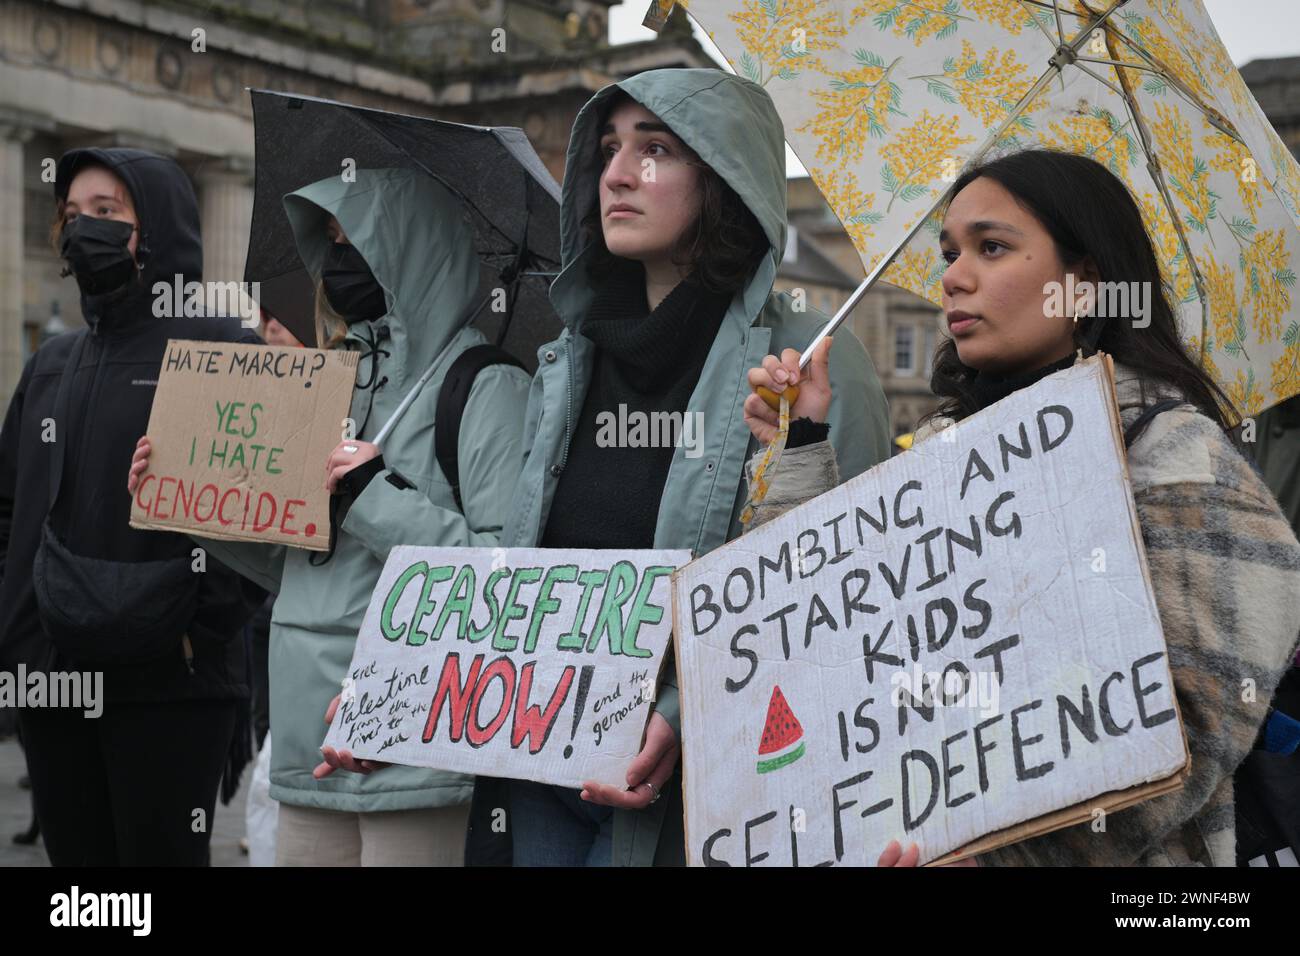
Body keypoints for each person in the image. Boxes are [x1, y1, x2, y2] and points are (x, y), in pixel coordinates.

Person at [743, 148, 1300, 866]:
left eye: (992, 247)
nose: (951, 276)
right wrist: (802, 443)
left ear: (1085, 285)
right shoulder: (942, 451)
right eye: (949, 251)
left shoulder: (1180, 460)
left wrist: (993, 855)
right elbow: (829, 633)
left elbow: (1184, 735)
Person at [454, 67, 892, 867]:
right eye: (610, 149)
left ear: (723, 180)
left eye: (655, 150)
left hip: (695, 795)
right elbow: (527, 562)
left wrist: (684, 715)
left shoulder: (811, 360)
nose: (616, 174)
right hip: (539, 756)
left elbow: (838, 593)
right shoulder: (571, 354)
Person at [129, 167, 530, 866]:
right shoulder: (330, 376)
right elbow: (296, 558)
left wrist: (372, 495)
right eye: (332, 242)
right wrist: (189, 502)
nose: (339, 259)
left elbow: (506, 574)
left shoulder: (487, 386)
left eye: (359, 240)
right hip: (304, 734)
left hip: (414, 736)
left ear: (409, 251)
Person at [0, 148, 265, 866]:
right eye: (75, 214)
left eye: (108, 213)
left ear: (160, 228)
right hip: (54, 680)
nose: (86, 228)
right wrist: (20, 638)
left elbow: (259, 529)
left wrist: (192, 627)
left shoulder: (222, 349)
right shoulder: (49, 365)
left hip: (171, 687)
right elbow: (8, 513)